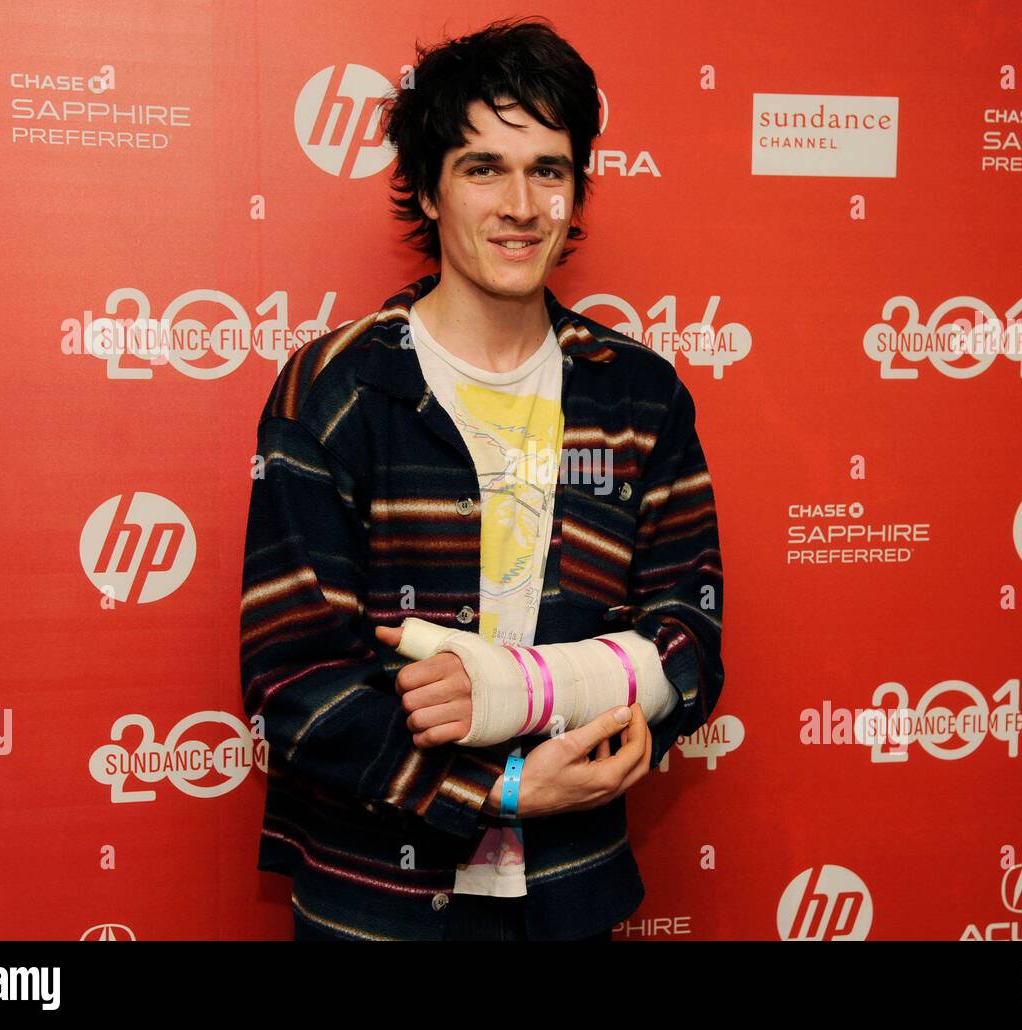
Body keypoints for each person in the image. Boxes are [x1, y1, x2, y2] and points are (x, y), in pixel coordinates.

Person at [238, 15, 724, 941]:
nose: (521, 204)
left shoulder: (639, 397)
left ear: (578, 189)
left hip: (569, 893)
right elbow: (290, 678)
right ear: (426, 188)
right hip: (372, 897)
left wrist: (532, 690)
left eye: (548, 169)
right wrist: (496, 785)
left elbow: (688, 636)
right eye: (482, 167)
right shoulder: (337, 390)